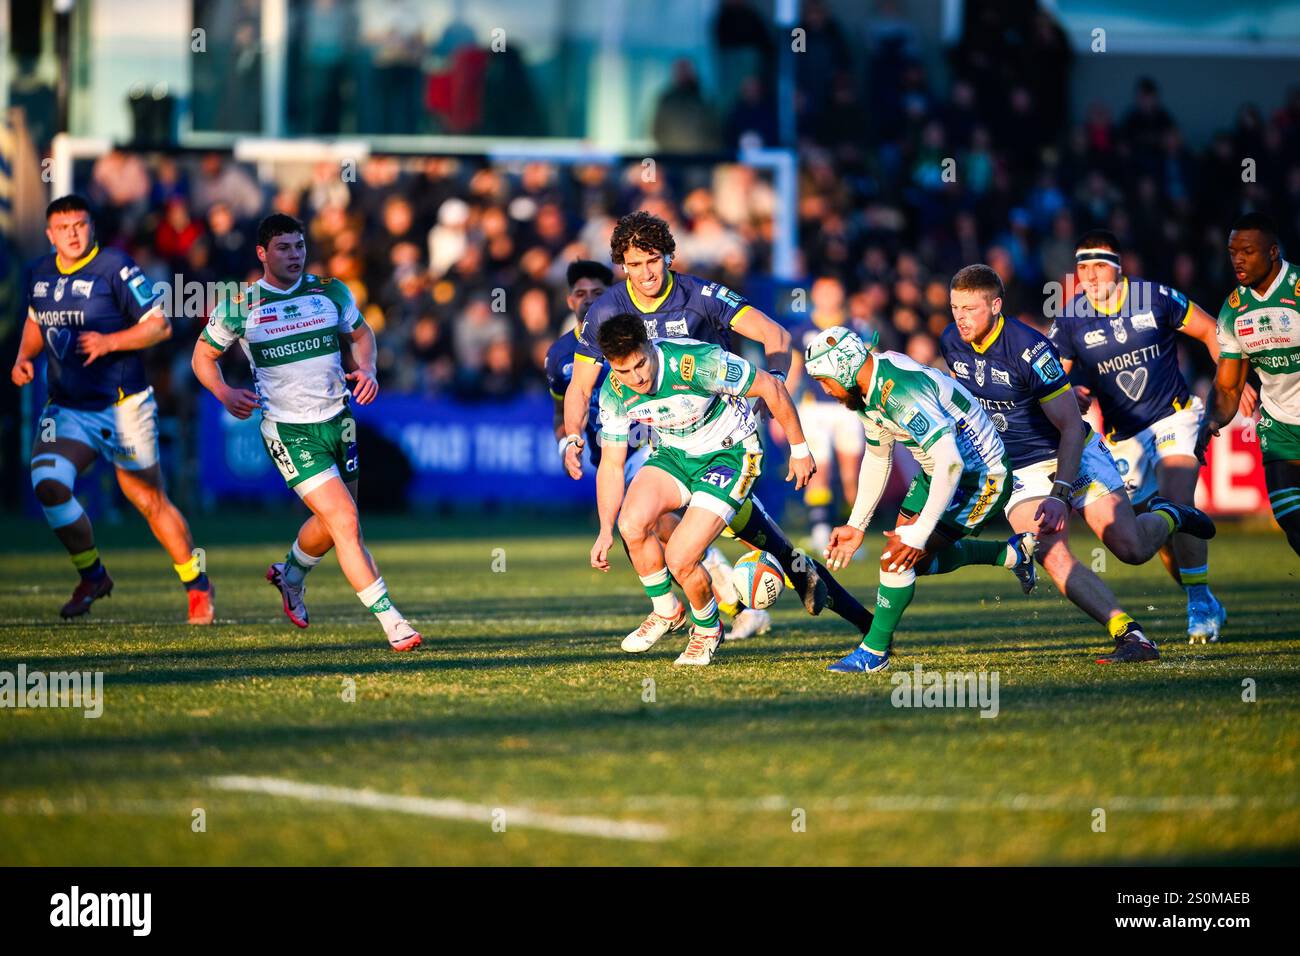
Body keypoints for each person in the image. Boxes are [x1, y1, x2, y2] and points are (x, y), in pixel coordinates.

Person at [562, 210, 878, 644]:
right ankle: (711, 605)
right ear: (622, 265)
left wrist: (774, 391)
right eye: (634, 264)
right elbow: (580, 388)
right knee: (648, 526)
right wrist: (574, 436)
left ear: (669, 257)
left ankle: (851, 621)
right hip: (669, 442)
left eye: (653, 260)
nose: (645, 272)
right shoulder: (607, 311)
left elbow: (776, 336)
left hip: (725, 438)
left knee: (769, 550)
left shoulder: (701, 295)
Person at [942, 265, 1216, 664]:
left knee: (1132, 549)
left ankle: (1171, 514)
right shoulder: (951, 341)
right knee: (1048, 550)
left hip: (1072, 451)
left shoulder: (1029, 350)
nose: (960, 318)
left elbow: (1071, 426)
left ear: (996, 306)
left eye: (970, 308)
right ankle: (1131, 635)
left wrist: (1059, 494)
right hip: (1019, 469)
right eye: (954, 308)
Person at [191, 213, 420, 651]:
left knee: (336, 523)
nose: (294, 255)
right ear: (262, 253)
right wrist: (222, 392)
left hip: (340, 421)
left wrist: (367, 366)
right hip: (290, 432)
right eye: (283, 248)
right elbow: (202, 356)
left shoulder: (329, 291)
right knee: (347, 522)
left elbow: (362, 333)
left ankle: (290, 574)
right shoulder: (241, 306)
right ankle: (393, 623)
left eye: (299, 246)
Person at [11, 194, 215, 623]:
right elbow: (35, 321)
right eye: (63, 228)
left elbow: (159, 324)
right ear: (50, 235)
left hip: (124, 406)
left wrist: (111, 342)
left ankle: (196, 585)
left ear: (91, 227)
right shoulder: (40, 273)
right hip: (67, 406)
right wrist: (23, 357)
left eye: (80, 225)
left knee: (146, 499)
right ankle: (93, 576)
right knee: (48, 482)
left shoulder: (116, 267)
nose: (72, 233)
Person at [545, 260, 770, 641]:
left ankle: (726, 603)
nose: (588, 301)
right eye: (580, 294)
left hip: (647, 443)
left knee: (659, 524)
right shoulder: (560, 355)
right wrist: (569, 439)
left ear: (610, 302)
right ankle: (713, 603)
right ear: (570, 300)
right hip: (609, 449)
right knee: (652, 533)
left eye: (597, 294)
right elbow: (562, 408)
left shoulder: (631, 339)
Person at [804, 327, 1038, 673]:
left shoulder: (899, 391)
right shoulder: (866, 390)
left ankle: (875, 651)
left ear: (844, 369)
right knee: (914, 560)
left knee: (896, 558)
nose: (825, 390)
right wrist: (856, 525)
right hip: (937, 474)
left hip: (980, 478)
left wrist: (920, 530)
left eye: (826, 381)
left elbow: (952, 462)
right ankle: (1011, 554)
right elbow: (878, 456)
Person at [589, 313, 815, 665]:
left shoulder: (696, 363)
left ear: (651, 347)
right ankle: (667, 611)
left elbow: (771, 387)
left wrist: (799, 450)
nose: (637, 378)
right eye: (624, 372)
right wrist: (604, 531)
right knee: (629, 525)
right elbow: (612, 464)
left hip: (730, 453)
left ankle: (708, 630)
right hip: (675, 454)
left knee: (680, 557)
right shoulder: (614, 391)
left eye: (640, 365)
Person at [1049, 230, 1227, 643]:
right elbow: (1052, 381)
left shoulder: (1156, 297)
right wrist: (1072, 394)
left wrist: (1233, 384)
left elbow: (1213, 332)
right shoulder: (1071, 318)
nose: (1089, 276)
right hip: (1123, 437)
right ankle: (1200, 594)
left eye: (1098, 266)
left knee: (1177, 498)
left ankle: (1199, 602)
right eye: (1082, 268)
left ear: (1118, 266)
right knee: (1149, 538)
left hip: (1174, 417)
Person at [1206, 212, 1300, 557]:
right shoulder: (1233, 310)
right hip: (1280, 429)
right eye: (1232, 252)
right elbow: (1229, 388)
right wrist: (1212, 421)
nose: (1238, 260)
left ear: (1273, 252)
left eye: (1247, 251)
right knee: (1292, 520)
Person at [784, 276, 869, 553]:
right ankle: (820, 532)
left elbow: (872, 365)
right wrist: (779, 409)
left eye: (833, 291)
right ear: (815, 295)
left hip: (849, 409)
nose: (828, 297)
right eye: (823, 291)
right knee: (818, 470)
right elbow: (794, 371)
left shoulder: (856, 327)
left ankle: (852, 532)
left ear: (841, 294)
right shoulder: (803, 330)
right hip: (814, 409)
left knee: (851, 476)